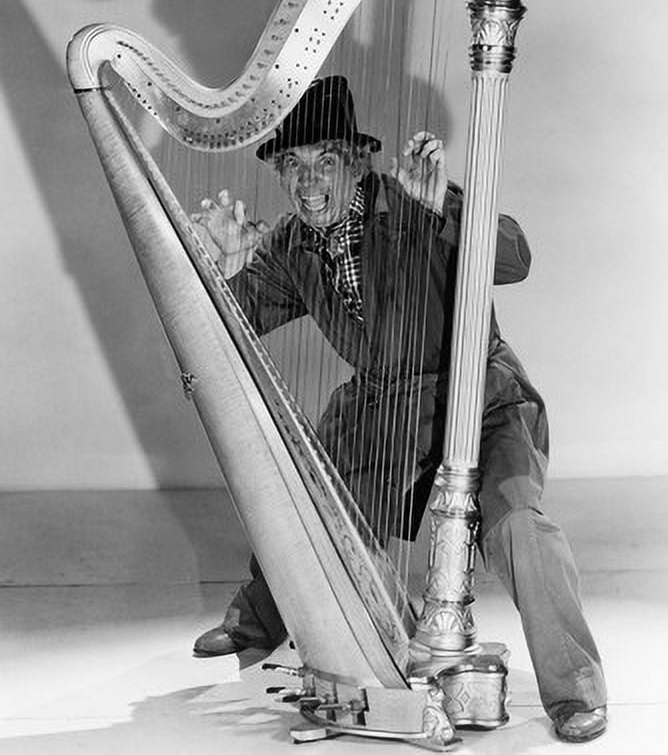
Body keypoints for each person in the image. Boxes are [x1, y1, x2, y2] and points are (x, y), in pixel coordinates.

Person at [190, 75, 607, 744]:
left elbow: (516, 258)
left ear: (358, 163)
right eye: (290, 166)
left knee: (521, 530)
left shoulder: (415, 201)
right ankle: (270, 625)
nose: (307, 183)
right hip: (383, 412)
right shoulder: (291, 247)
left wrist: (443, 202)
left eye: (324, 162)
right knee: (315, 502)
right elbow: (226, 339)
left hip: (481, 401)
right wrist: (230, 271)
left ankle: (575, 693)